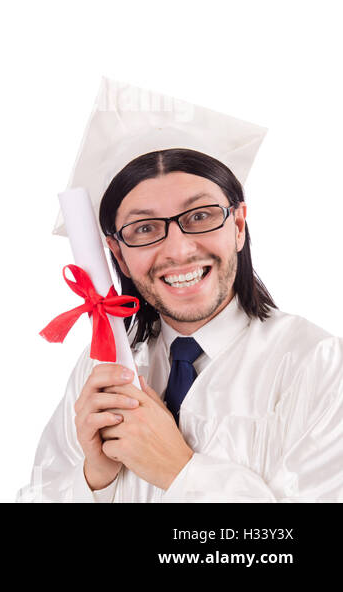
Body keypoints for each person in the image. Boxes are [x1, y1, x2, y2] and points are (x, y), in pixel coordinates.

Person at [21, 78, 343, 502]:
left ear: (238, 225)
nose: (178, 250)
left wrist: (179, 471)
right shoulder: (103, 368)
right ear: (118, 256)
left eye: (200, 216)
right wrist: (95, 479)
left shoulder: (318, 366)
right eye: (145, 228)